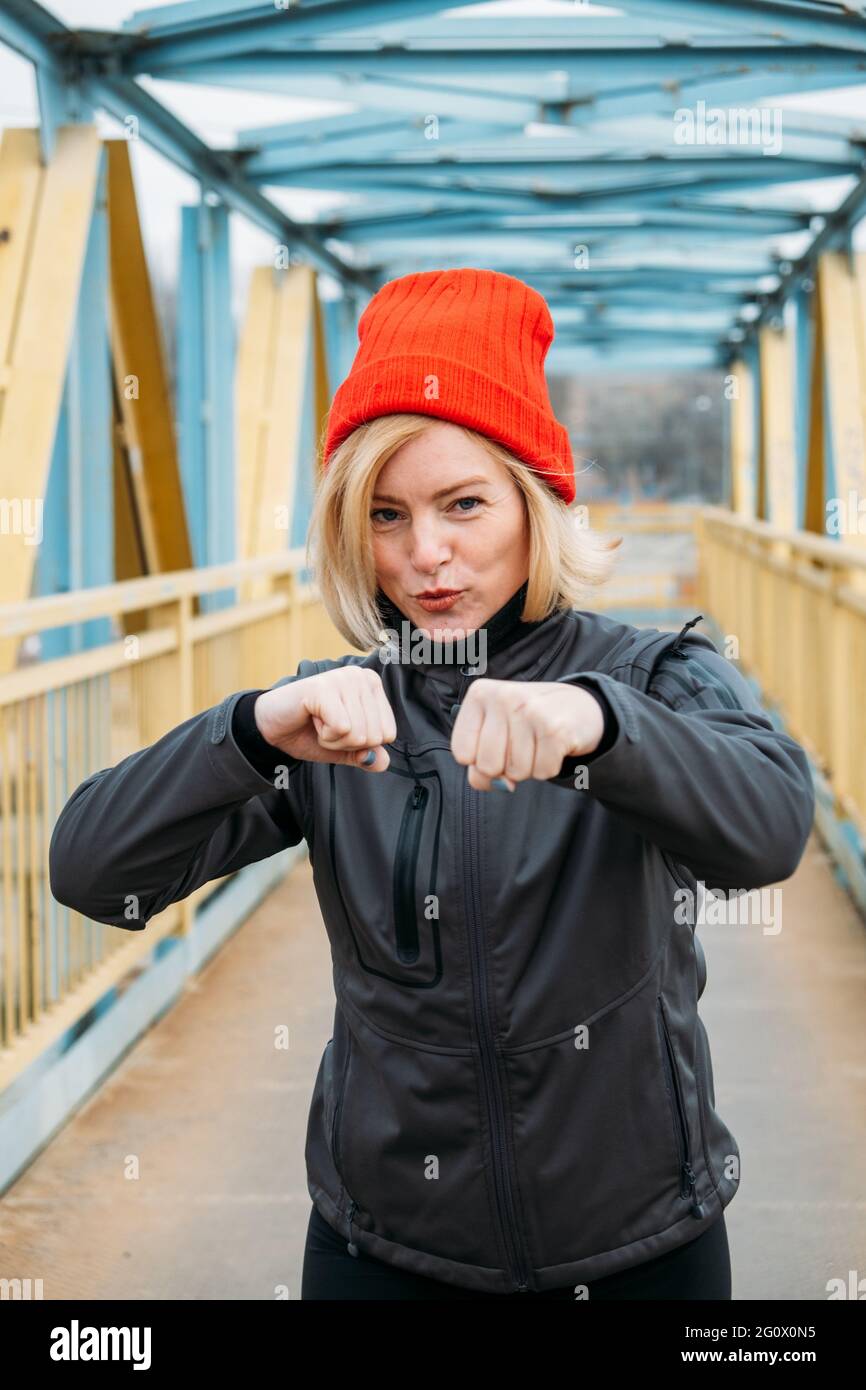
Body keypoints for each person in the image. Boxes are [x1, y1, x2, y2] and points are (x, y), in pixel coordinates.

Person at [49, 268, 815, 1300]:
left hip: (638, 1245)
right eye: (385, 516)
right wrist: (244, 729)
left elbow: (767, 830)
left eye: (463, 505)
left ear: (533, 503)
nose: (426, 556)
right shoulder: (333, 718)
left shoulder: (651, 675)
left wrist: (601, 729)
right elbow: (93, 872)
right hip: (386, 1253)